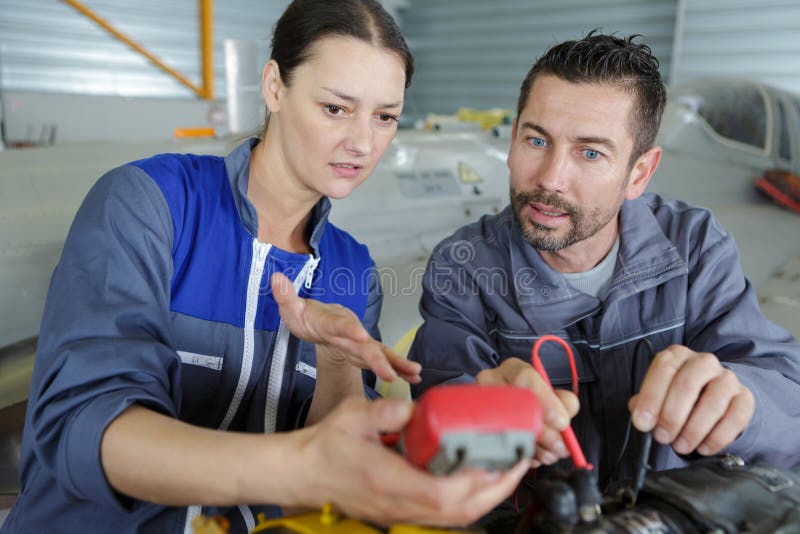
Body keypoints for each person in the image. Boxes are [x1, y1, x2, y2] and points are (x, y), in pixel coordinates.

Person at [1, 1, 527, 533]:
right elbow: (86, 428)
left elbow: (339, 452)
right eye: (335, 108)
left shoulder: (351, 267)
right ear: (275, 87)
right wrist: (297, 469)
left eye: (385, 116)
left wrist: (337, 362)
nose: (363, 142)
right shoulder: (151, 205)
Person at [408, 32, 800, 489]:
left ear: (639, 174)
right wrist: (488, 433)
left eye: (590, 153)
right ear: (513, 138)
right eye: (536, 141)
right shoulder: (463, 268)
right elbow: (436, 447)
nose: (551, 179)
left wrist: (743, 404)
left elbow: (788, 411)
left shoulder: (694, 247)